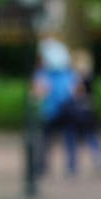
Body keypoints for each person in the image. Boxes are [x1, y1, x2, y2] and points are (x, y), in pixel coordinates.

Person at [32, 38, 78, 176]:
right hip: (66, 110)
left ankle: (43, 166)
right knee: (68, 139)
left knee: (46, 140)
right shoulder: (69, 74)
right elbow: (75, 92)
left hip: (50, 111)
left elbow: (38, 93)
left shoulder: (42, 74)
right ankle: (71, 166)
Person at [70, 49, 101, 175]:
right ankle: (97, 159)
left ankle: (74, 165)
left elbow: (77, 93)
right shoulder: (89, 77)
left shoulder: (82, 79)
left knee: (83, 138)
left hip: (82, 113)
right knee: (90, 138)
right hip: (87, 113)